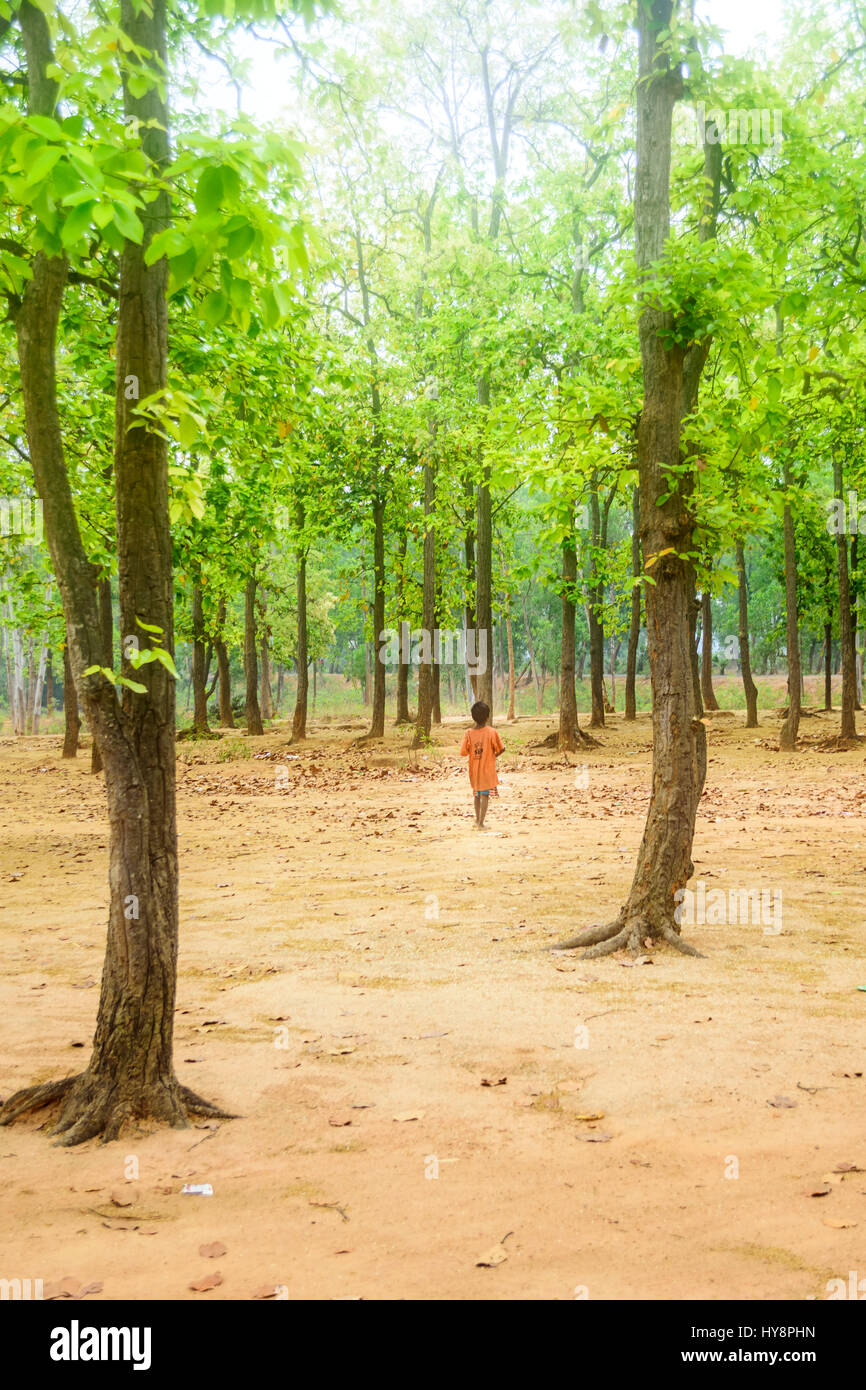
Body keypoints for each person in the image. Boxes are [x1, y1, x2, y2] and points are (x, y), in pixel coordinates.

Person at [459, 700, 504, 829]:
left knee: (477, 795)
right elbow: (501, 749)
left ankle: (477, 820)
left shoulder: (468, 733)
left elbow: (463, 752)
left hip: (474, 771)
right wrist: (491, 756)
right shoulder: (491, 732)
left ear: (473, 717)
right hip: (487, 770)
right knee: (485, 795)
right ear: (487, 716)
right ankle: (480, 823)